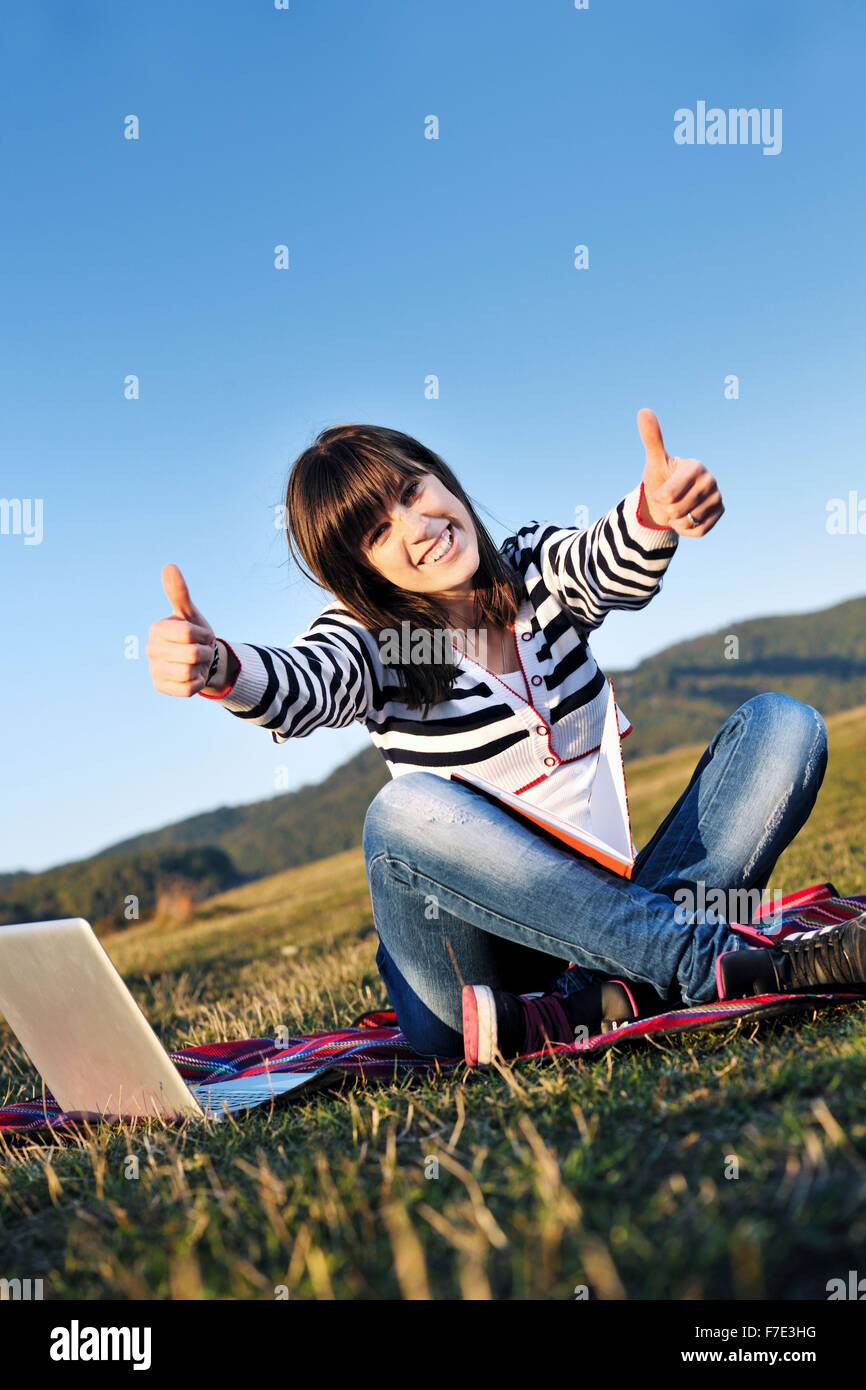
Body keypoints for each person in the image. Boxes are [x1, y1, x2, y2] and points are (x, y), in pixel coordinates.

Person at [146, 411, 864, 1066]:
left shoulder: (532, 571)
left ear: (441, 478)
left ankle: (606, 998)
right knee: (403, 812)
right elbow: (304, 682)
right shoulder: (371, 641)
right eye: (376, 533)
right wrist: (221, 667)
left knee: (782, 724)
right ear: (356, 572)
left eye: (410, 492)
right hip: (468, 983)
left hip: (600, 932)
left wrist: (653, 513)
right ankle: (720, 964)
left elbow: (603, 561)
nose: (416, 527)